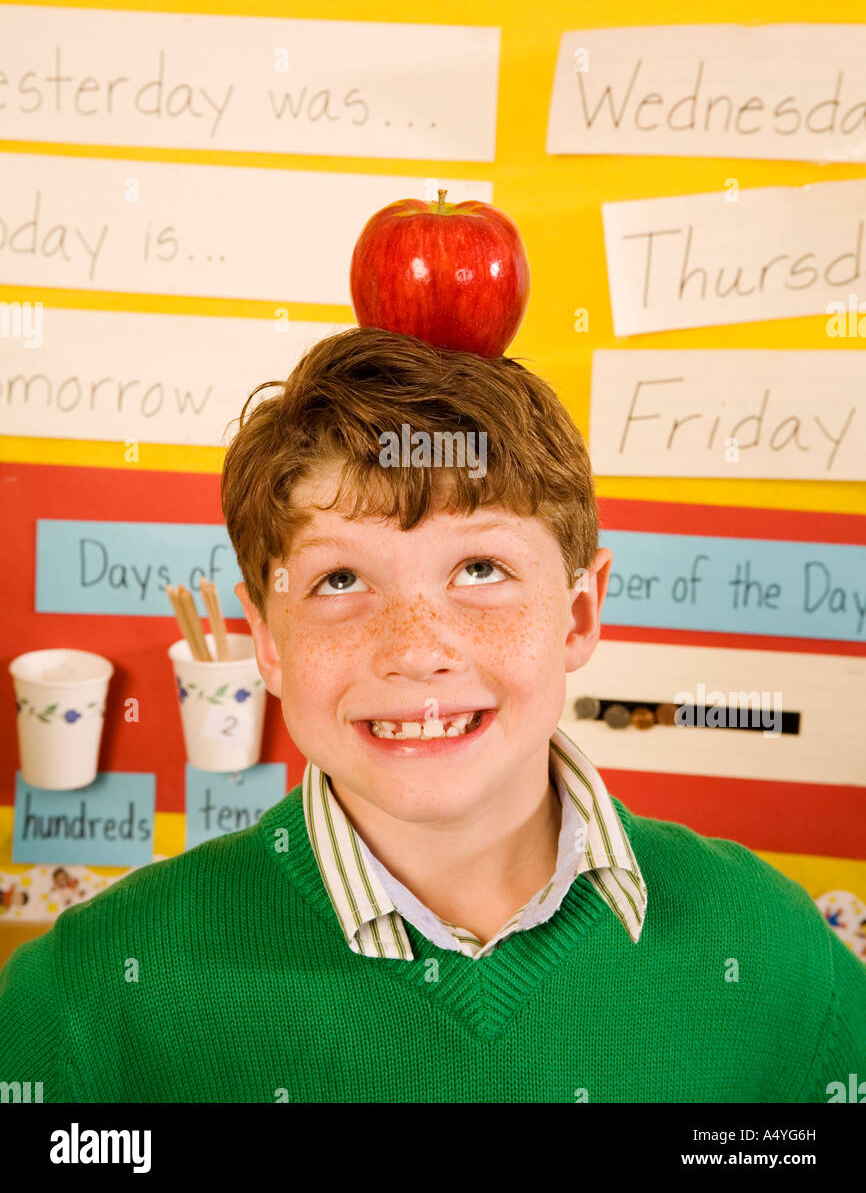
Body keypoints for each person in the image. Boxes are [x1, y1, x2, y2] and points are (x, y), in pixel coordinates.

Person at [1, 326, 864, 1102]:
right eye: (340, 580)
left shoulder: (768, 950)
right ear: (266, 640)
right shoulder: (88, 997)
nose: (416, 648)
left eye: (481, 568)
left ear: (579, 614)